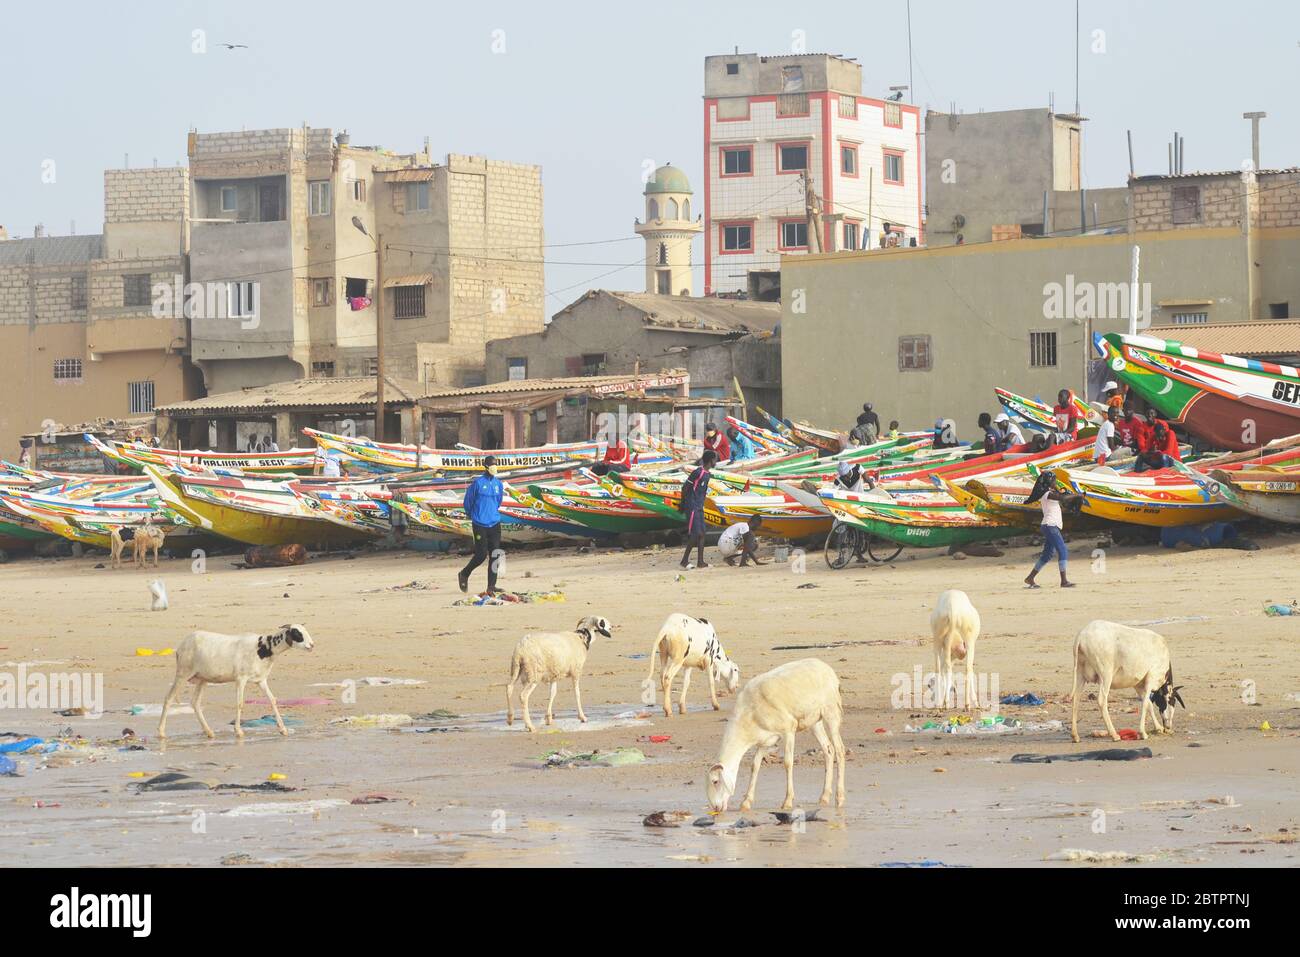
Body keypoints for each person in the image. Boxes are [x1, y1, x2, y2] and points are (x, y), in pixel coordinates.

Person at [458, 455, 505, 593]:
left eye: (496, 465)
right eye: (492, 465)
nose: (494, 467)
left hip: (494, 523)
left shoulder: (498, 484)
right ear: (486, 467)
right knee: (481, 555)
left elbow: (498, 502)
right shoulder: (477, 483)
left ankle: (491, 586)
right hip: (480, 524)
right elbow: (468, 503)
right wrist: (474, 515)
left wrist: (491, 513)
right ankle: (464, 573)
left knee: (496, 554)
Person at [1023, 469, 1076, 589]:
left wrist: (1058, 488)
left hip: (1050, 526)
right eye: (1054, 480)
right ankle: (1064, 581)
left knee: (1047, 555)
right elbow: (1063, 498)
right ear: (1049, 481)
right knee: (1063, 551)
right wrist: (1078, 495)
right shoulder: (1047, 494)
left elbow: (1062, 496)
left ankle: (1030, 578)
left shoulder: (1050, 492)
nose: (1056, 482)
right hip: (1050, 525)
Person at [678, 450, 717, 569]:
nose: (716, 461)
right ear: (711, 460)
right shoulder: (698, 472)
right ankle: (684, 561)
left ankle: (700, 562)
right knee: (695, 534)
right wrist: (683, 504)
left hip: (699, 507)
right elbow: (685, 488)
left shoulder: (707, 474)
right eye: (715, 459)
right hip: (692, 506)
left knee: (702, 533)